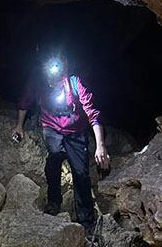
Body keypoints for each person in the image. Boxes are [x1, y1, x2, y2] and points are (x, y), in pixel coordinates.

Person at [11, 49, 110, 234]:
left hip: (75, 131)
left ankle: (86, 220)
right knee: (54, 158)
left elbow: (92, 113)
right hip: (51, 128)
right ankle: (54, 201)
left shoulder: (74, 81)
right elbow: (25, 102)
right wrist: (19, 126)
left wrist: (100, 145)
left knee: (80, 173)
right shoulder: (38, 81)